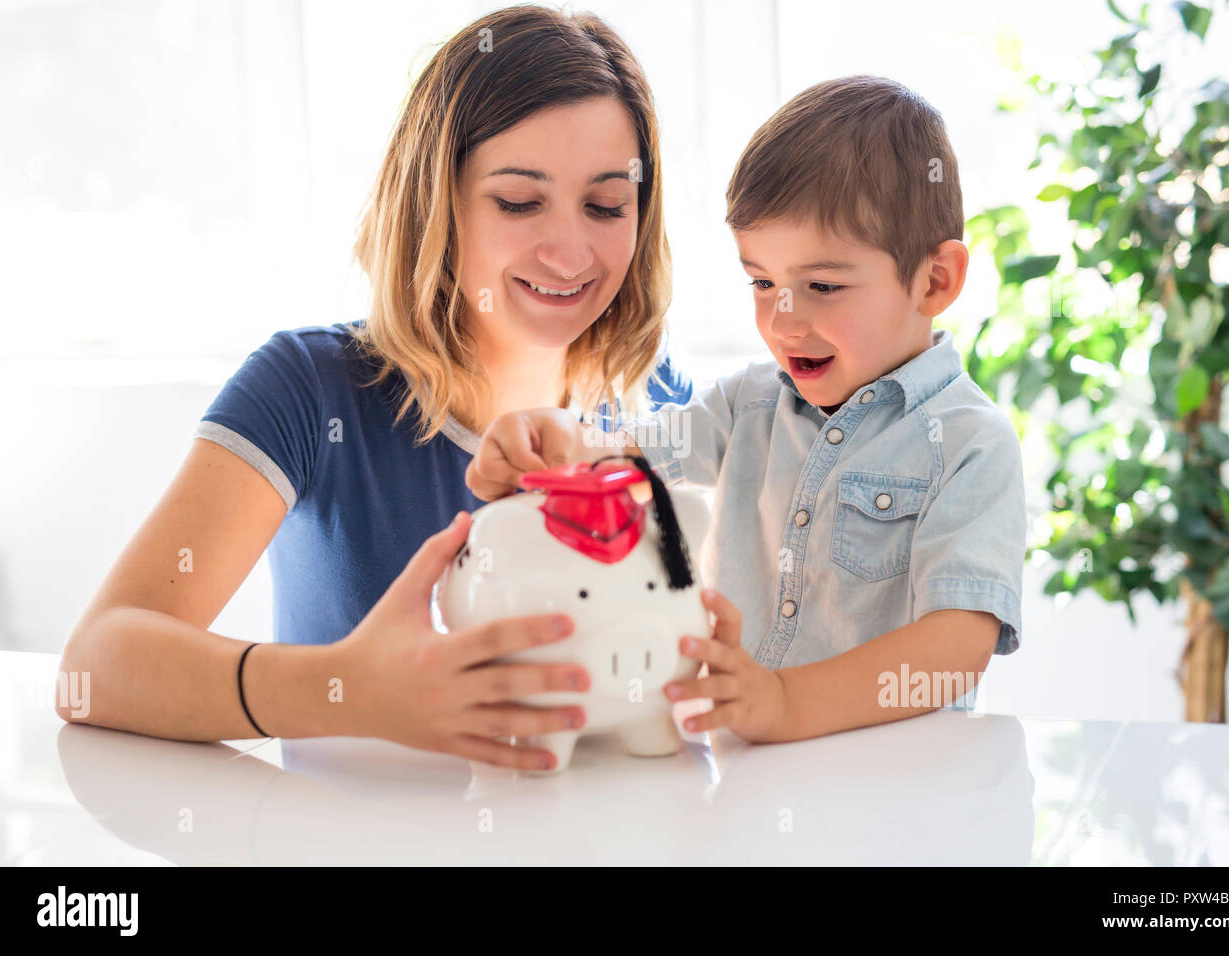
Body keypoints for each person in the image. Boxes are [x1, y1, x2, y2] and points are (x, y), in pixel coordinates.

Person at [56, 6, 689, 773]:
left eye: (606, 205)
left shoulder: (663, 401)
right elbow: (95, 667)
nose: (570, 252)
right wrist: (346, 689)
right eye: (519, 201)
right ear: (436, 202)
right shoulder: (308, 390)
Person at [467, 75, 1028, 745]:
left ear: (935, 280)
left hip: (899, 796)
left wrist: (787, 701)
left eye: (822, 285)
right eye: (762, 282)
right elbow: (628, 452)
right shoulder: (745, 405)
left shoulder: (972, 445)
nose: (784, 321)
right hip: (749, 785)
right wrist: (550, 441)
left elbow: (952, 653)